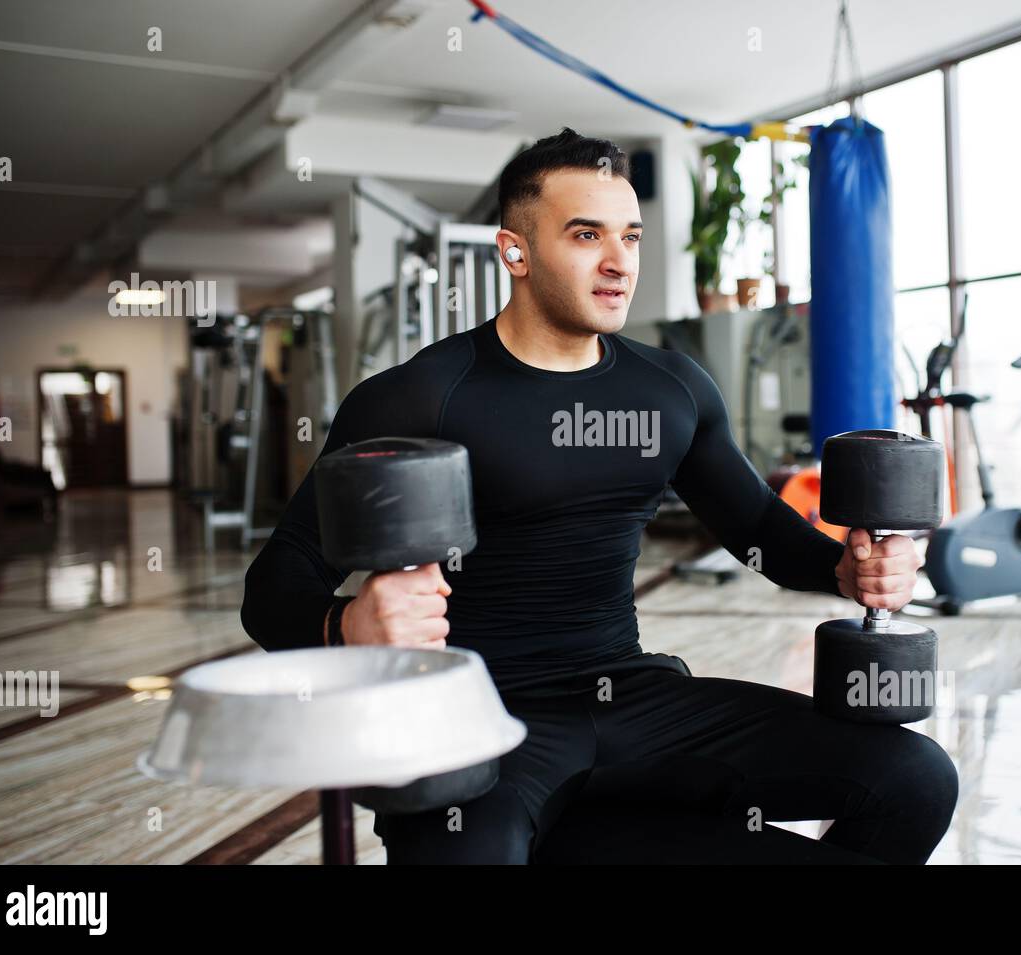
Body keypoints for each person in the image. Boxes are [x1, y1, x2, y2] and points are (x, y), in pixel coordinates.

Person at [240, 127, 958, 864]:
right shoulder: (421, 397)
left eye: (631, 237)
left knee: (915, 778)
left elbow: (761, 532)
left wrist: (845, 568)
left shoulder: (670, 390)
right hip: (486, 715)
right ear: (514, 252)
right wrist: (348, 622)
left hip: (638, 701)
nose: (619, 262)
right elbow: (272, 586)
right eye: (587, 235)